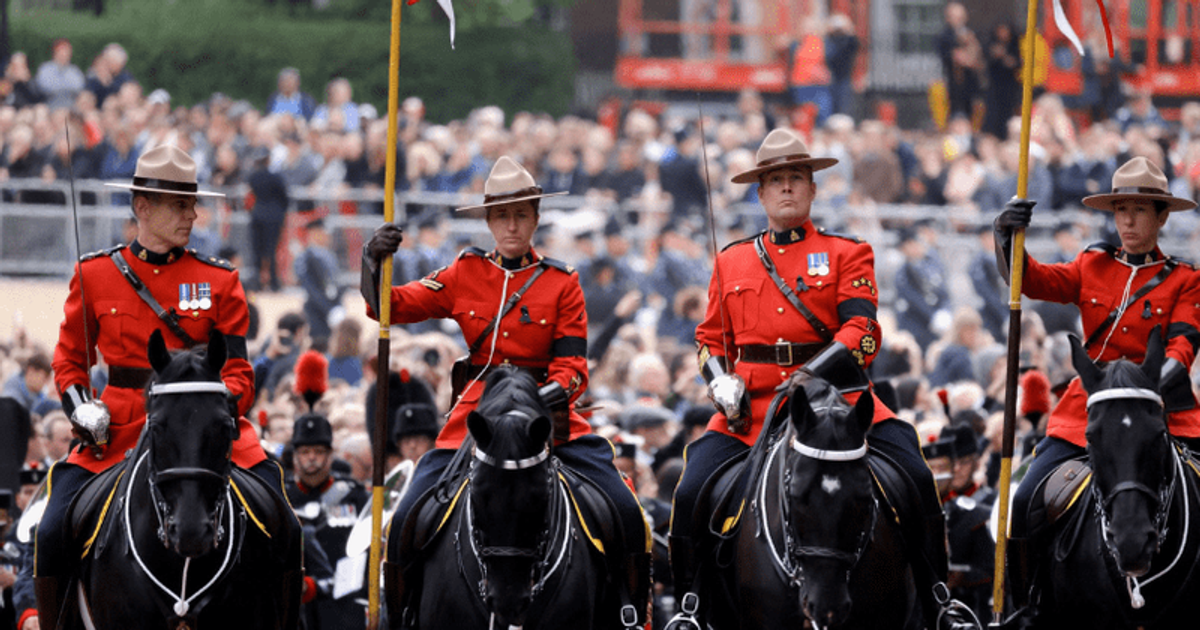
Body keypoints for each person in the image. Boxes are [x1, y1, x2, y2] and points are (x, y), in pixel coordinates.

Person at [668, 127, 979, 630]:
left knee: (917, 475)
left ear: (813, 189)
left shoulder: (846, 252)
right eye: (775, 180)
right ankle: (688, 607)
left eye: (796, 178)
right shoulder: (732, 260)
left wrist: (811, 373)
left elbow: (864, 331)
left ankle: (938, 600)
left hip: (838, 399)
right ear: (761, 192)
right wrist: (718, 381)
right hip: (752, 408)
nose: (786, 188)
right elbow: (708, 340)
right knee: (690, 490)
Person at [361, 156, 651, 627]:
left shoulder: (563, 282)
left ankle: (631, 613)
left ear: (535, 218)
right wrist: (373, 262)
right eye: (501, 215)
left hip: (547, 418)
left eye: (521, 214)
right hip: (477, 419)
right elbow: (389, 307)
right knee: (407, 515)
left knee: (625, 509)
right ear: (489, 220)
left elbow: (574, 367)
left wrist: (545, 398)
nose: (511, 225)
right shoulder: (464, 272)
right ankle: (402, 612)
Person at [31, 145, 287, 630]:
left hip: (204, 431)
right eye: (179, 205)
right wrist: (81, 408)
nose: (192, 214)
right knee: (50, 529)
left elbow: (239, 371)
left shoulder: (219, 279)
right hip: (119, 426)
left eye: (192, 203)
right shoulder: (95, 274)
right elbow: (69, 362)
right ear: (142, 207)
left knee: (285, 522)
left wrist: (218, 404)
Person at [994, 156, 1200, 621]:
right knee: (1026, 500)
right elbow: (1033, 280)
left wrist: (1149, 385)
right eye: (1121, 209)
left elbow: (1184, 344)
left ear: (1162, 216)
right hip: (1089, 408)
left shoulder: (1186, 279)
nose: (1128, 219)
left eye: (1141, 209)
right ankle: (1025, 606)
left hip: (1161, 404)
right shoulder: (1092, 264)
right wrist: (1006, 236)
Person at [287, 412, 370, 630]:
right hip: (296, 607)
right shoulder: (282, 497)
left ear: (330, 455)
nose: (311, 457)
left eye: (318, 451)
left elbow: (365, 553)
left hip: (344, 606)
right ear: (294, 456)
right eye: (305, 452)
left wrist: (320, 586)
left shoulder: (355, 496)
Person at [294, 218, 344, 343]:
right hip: (316, 310)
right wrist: (328, 309)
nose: (327, 236)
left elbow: (334, 283)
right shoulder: (306, 256)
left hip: (331, 307)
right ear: (314, 233)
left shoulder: (329, 255)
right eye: (323, 232)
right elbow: (310, 287)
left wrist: (337, 305)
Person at [33, 39, 84, 111]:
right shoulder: (45, 69)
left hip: (71, 108)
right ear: (54, 53)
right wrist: (67, 86)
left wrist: (58, 84)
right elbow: (45, 87)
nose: (64, 55)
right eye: (61, 52)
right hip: (49, 107)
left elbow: (79, 86)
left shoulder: (75, 70)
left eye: (67, 52)